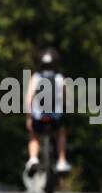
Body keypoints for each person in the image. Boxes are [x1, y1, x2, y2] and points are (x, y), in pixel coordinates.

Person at [24, 47, 70, 176]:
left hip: (38, 117)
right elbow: (66, 99)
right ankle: (61, 161)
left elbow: (29, 98)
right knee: (61, 132)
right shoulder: (60, 78)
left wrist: (29, 117)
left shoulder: (36, 77)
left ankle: (33, 158)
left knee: (33, 134)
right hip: (55, 117)